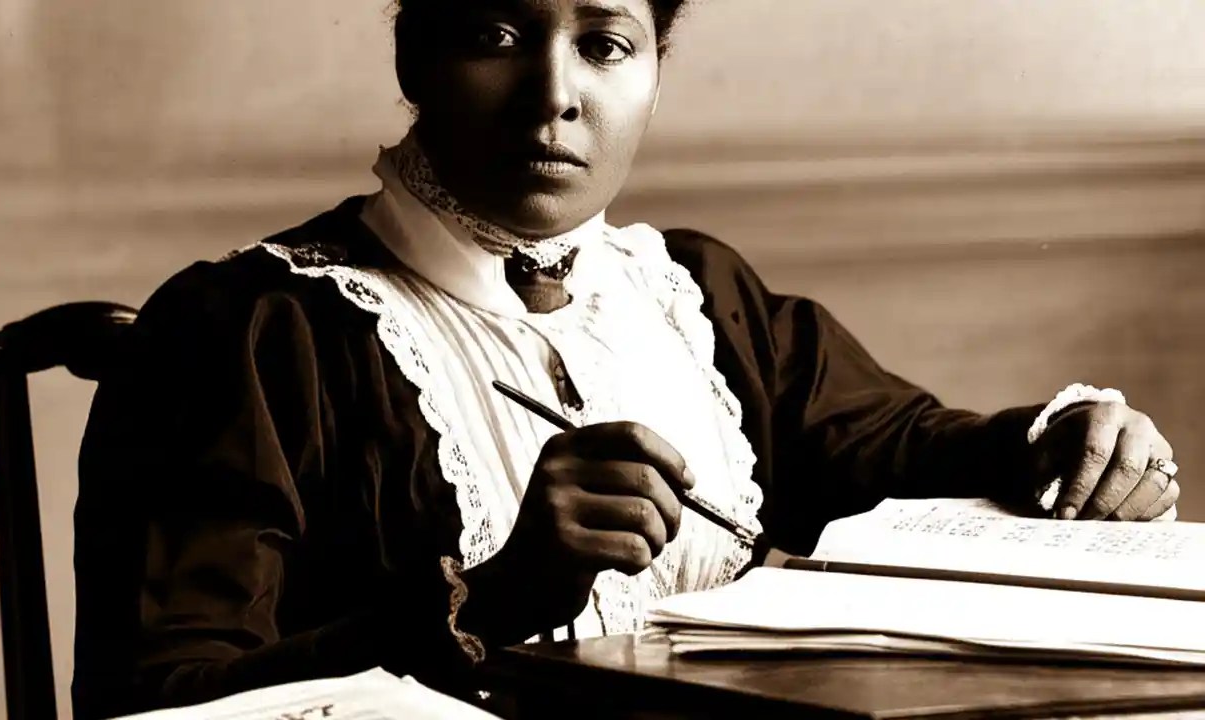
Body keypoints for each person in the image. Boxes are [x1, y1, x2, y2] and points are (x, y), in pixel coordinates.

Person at [70, 0, 1182, 717]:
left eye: (604, 44)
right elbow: (157, 694)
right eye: (495, 34)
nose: (556, 93)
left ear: (654, 73)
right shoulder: (250, 331)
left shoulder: (692, 293)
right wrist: (493, 594)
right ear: (414, 55)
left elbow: (886, 442)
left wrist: (1062, 440)